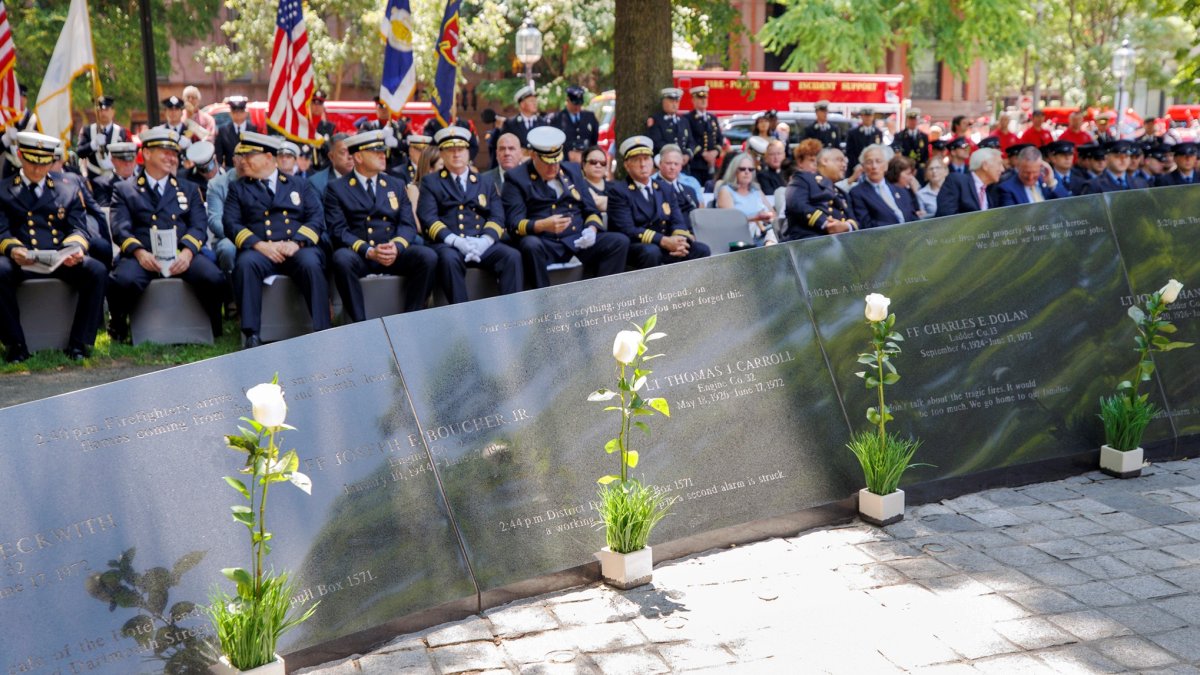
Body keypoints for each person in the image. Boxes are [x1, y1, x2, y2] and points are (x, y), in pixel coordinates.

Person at [106, 128, 225, 343]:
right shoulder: (124, 189)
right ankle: (118, 325)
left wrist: (188, 253)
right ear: (147, 154)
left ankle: (213, 323)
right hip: (143, 256)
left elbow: (198, 225)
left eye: (174, 153)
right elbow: (120, 228)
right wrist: (140, 253)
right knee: (123, 281)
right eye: (165, 152)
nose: (172, 158)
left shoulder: (188, 188)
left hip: (181, 255)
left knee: (213, 277)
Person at [0, 132, 107, 362]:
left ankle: (79, 344)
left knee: (96, 271)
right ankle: (15, 345)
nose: (38, 170)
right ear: (20, 156)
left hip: (59, 258)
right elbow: (1, 229)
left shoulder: (66, 187)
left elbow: (79, 227)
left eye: (44, 163)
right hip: (21, 259)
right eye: (32, 162)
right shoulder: (4, 189)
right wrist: (13, 249)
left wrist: (75, 250)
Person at [223, 132, 329, 348]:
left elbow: (316, 217)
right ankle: (251, 334)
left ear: (269, 158)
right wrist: (259, 245)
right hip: (260, 249)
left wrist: (296, 242)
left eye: (249, 155)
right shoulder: (238, 188)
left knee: (312, 263)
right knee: (246, 264)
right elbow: (231, 223)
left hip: (295, 247)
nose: (243, 161)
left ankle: (323, 330)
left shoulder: (298, 184)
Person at [324, 130, 437, 320]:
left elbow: (407, 224)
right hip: (362, 254)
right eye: (375, 152)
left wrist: (397, 246)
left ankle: (412, 317)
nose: (382, 155)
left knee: (428, 257)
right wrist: (369, 250)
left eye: (382, 151)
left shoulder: (395, 183)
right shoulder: (337, 188)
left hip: (392, 251)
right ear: (358, 157)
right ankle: (359, 323)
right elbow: (338, 230)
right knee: (341, 259)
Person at [501, 126, 626, 289]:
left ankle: (600, 299)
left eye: (556, 161)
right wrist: (542, 225)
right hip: (544, 242)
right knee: (530, 245)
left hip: (577, 239)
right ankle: (543, 305)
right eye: (547, 163)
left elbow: (591, 210)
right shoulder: (517, 178)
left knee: (618, 242)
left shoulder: (572, 171)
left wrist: (592, 229)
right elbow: (514, 223)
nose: (553, 168)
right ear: (533, 156)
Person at [417, 126, 522, 303]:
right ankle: (463, 319)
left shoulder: (484, 182)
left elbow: (497, 216)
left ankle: (513, 314)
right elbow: (428, 217)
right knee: (449, 260)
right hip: (449, 244)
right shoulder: (431, 182)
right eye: (450, 150)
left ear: (468, 152)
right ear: (442, 154)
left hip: (480, 242)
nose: (456, 154)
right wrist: (456, 241)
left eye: (460, 149)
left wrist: (485, 241)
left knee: (511, 256)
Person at [607, 135, 709, 267]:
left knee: (701, 250)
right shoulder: (619, 191)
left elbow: (677, 220)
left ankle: (695, 288)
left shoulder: (664, 188)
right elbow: (628, 229)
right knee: (652, 252)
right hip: (638, 246)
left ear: (652, 162)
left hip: (666, 243)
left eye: (646, 158)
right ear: (627, 165)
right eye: (637, 160)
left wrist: (680, 241)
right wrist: (664, 241)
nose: (643, 164)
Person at [783, 147, 857, 240]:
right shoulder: (803, 179)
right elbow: (797, 204)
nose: (844, 165)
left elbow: (854, 220)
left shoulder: (842, 193)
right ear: (824, 161)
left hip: (840, 242)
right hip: (809, 241)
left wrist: (846, 226)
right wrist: (825, 223)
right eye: (840, 160)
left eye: (845, 161)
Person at [849, 144, 918, 228]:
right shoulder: (857, 193)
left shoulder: (901, 191)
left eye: (878, 161)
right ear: (863, 167)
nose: (874, 166)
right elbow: (866, 224)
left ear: (886, 165)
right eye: (869, 162)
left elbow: (914, 218)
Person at [716, 152, 777, 245]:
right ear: (734, 171)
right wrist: (755, 218)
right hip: (737, 239)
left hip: (761, 235)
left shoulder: (756, 189)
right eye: (742, 169)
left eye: (751, 169)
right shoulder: (726, 191)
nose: (747, 172)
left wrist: (768, 217)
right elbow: (729, 221)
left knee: (773, 232)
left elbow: (772, 214)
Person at [992, 145, 1070, 206]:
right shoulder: (1007, 189)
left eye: (1035, 172)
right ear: (1018, 167)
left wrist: (1051, 183)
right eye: (1026, 172)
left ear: (1041, 167)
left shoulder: (1047, 182)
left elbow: (1068, 205)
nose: (1030, 177)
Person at [76, 96, 131, 180]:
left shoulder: (121, 132)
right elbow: (80, 152)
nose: (103, 113)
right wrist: (93, 145)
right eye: (100, 110)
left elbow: (127, 155)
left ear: (113, 111)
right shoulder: (88, 130)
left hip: (115, 178)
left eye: (106, 110)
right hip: (94, 178)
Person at [936, 147, 1003, 215]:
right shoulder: (956, 181)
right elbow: (946, 216)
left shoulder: (990, 189)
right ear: (985, 165)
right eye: (999, 164)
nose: (1002, 169)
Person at [356, 97, 409, 171]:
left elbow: (410, 146)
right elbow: (360, 141)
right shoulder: (368, 126)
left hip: (397, 167)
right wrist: (381, 135)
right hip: (374, 166)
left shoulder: (400, 126)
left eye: (386, 107)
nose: (384, 110)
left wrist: (397, 143)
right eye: (381, 107)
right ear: (376, 109)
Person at [654, 144, 703, 220]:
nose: (672, 167)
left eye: (676, 164)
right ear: (660, 164)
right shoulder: (652, 187)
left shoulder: (690, 190)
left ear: (681, 167)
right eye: (668, 163)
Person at [645, 88, 693, 164]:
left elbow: (690, 141)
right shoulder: (657, 120)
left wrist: (688, 154)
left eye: (676, 101)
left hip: (683, 164)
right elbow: (657, 142)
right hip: (665, 162)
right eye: (671, 101)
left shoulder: (684, 121)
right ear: (664, 102)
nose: (674, 104)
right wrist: (676, 155)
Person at [1082, 140, 1148, 194]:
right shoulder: (1093, 185)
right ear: (1106, 158)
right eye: (1117, 156)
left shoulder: (1141, 183)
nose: (1123, 160)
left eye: (1126, 156)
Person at [686, 85, 722, 181]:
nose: (703, 100)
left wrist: (715, 152)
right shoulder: (688, 118)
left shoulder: (712, 118)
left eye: (705, 98)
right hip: (696, 163)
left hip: (712, 163)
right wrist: (703, 154)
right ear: (693, 100)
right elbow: (689, 139)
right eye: (700, 98)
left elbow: (720, 139)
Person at [554, 85, 598, 164]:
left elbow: (594, 140)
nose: (577, 107)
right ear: (568, 100)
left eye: (579, 104)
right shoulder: (557, 118)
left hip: (586, 160)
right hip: (565, 161)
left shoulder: (590, 117)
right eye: (574, 104)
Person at [89, 141, 138, 207]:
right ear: (112, 160)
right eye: (123, 160)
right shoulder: (101, 184)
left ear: (135, 160)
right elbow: (105, 209)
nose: (127, 164)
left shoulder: (144, 182)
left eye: (131, 160)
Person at [215, 96, 259, 168]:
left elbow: (256, 153)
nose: (238, 113)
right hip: (230, 171)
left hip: (249, 171)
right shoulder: (223, 130)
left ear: (246, 113)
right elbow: (219, 155)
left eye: (241, 111)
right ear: (230, 113)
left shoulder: (253, 130)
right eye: (234, 111)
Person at [308, 133, 353, 198]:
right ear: (331, 156)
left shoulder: (364, 177)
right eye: (343, 152)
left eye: (352, 150)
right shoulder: (317, 184)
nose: (350, 156)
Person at [892, 108, 929, 179]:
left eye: (915, 119)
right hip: (904, 169)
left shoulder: (923, 136)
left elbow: (925, 155)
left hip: (919, 170)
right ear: (907, 120)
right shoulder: (899, 136)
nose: (913, 122)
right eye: (911, 119)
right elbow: (897, 151)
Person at [845, 107, 883, 172]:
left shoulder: (878, 133)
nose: (868, 118)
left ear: (873, 117)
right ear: (862, 117)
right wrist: (857, 165)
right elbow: (849, 151)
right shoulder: (853, 133)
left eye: (870, 116)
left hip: (873, 167)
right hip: (857, 167)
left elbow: (880, 150)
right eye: (865, 116)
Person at [309, 90, 337, 171]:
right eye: (314, 103)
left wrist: (323, 143)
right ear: (310, 105)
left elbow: (333, 149)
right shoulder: (304, 125)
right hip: (306, 166)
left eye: (320, 104)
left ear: (323, 107)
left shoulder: (330, 127)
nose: (317, 106)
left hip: (324, 167)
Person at [581, 145, 611, 212]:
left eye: (602, 163)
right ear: (584, 165)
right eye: (593, 162)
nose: (598, 165)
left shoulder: (614, 187)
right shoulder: (579, 186)